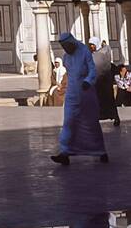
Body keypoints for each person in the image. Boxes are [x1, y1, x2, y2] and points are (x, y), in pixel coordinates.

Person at [50, 32, 108, 165]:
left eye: (67, 45)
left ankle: (100, 151)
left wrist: (88, 81)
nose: (66, 49)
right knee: (69, 123)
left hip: (86, 92)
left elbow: (92, 70)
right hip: (72, 94)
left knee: (90, 124)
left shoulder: (84, 51)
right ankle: (65, 152)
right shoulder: (66, 57)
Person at [91, 39, 120, 126]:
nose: (91, 46)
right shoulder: (93, 55)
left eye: (93, 44)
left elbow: (107, 51)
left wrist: (104, 45)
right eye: (90, 45)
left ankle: (115, 117)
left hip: (105, 81)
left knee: (109, 101)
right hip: (97, 82)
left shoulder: (102, 53)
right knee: (98, 101)